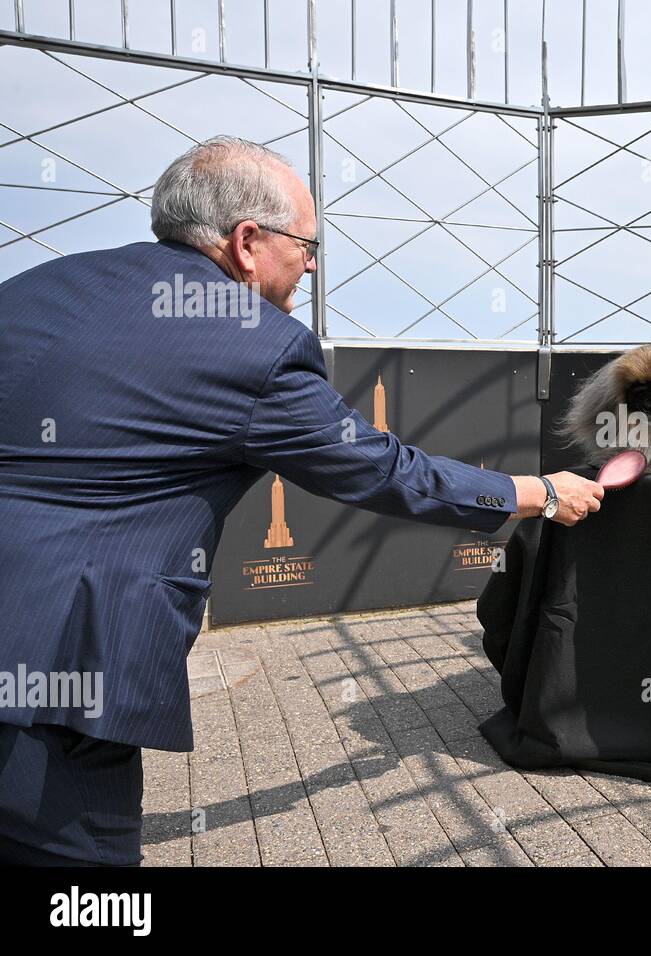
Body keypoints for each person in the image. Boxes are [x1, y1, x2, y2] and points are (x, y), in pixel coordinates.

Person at [0, 136, 604, 865]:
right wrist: (537, 491)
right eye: (306, 244)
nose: (313, 263)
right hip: (55, 666)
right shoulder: (251, 343)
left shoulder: (37, 287)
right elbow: (382, 470)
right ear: (248, 242)